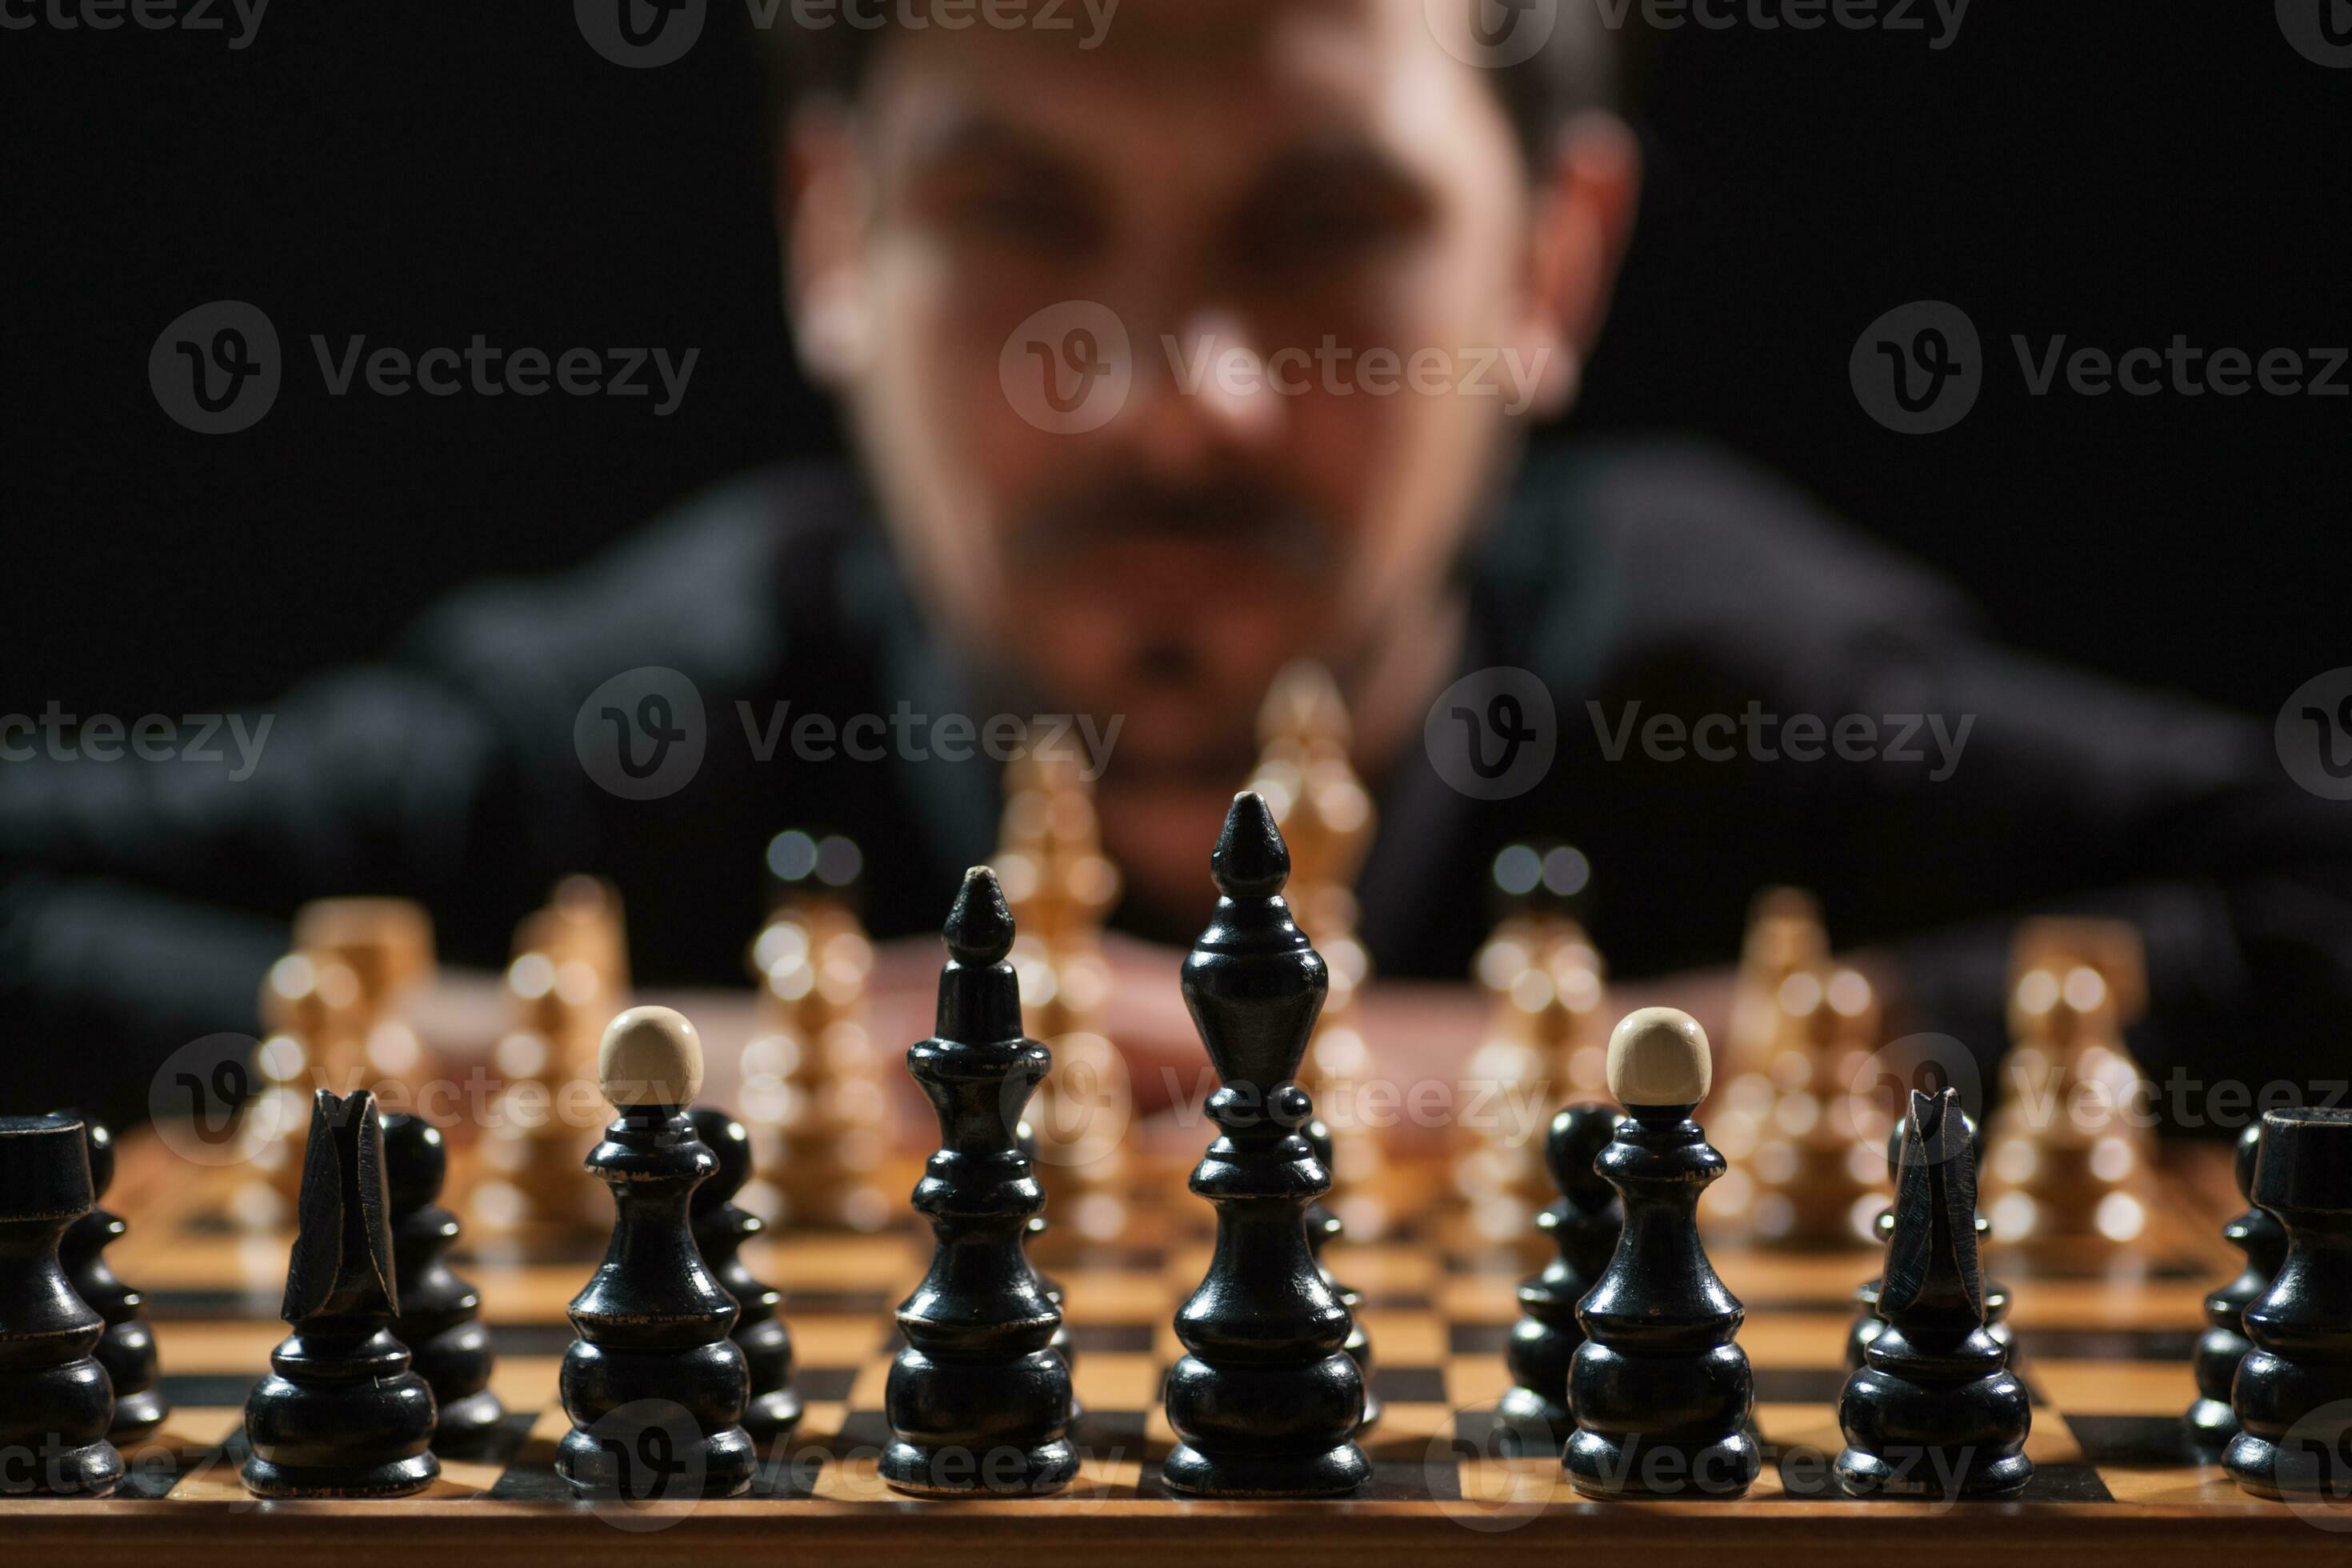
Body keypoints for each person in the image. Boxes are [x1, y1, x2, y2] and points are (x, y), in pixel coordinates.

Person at [5, 0, 2348, 1130]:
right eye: (1020, 219)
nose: (1168, 395)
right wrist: (627, 1068)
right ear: (833, 238)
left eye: (1325, 230)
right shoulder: (642, 701)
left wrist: (1519, 1076)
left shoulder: (1735, 676)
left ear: (1551, 259)